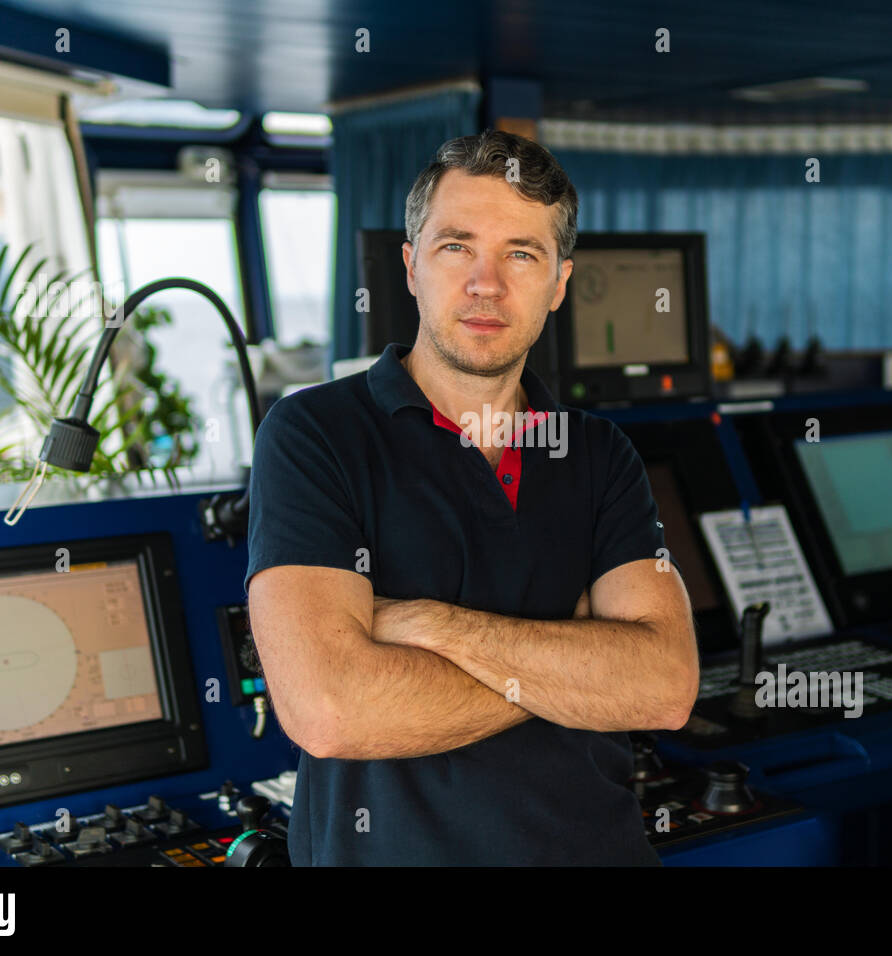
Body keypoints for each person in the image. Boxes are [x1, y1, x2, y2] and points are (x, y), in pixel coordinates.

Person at [245, 128, 699, 865]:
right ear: (411, 266)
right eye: (457, 246)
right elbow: (330, 709)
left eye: (522, 254)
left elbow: (664, 687)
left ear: (558, 284)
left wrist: (428, 625)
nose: (487, 282)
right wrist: (579, 664)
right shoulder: (314, 433)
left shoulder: (595, 453)